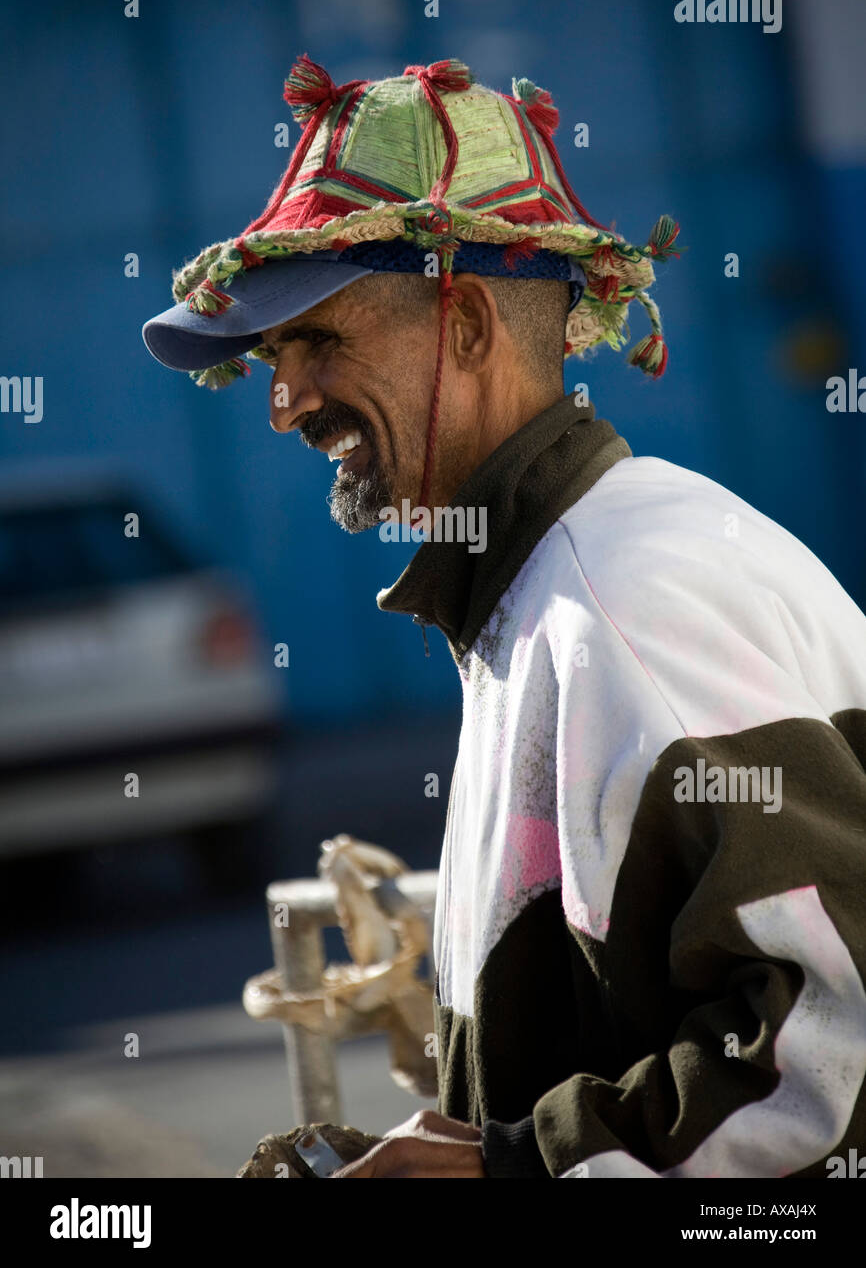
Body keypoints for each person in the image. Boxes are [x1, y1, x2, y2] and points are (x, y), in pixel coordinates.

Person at [143, 57, 866, 1179]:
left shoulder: (624, 603)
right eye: (273, 362)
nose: (284, 407)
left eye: (320, 343)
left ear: (468, 323)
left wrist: (513, 1166)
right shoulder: (541, 588)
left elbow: (834, 1051)